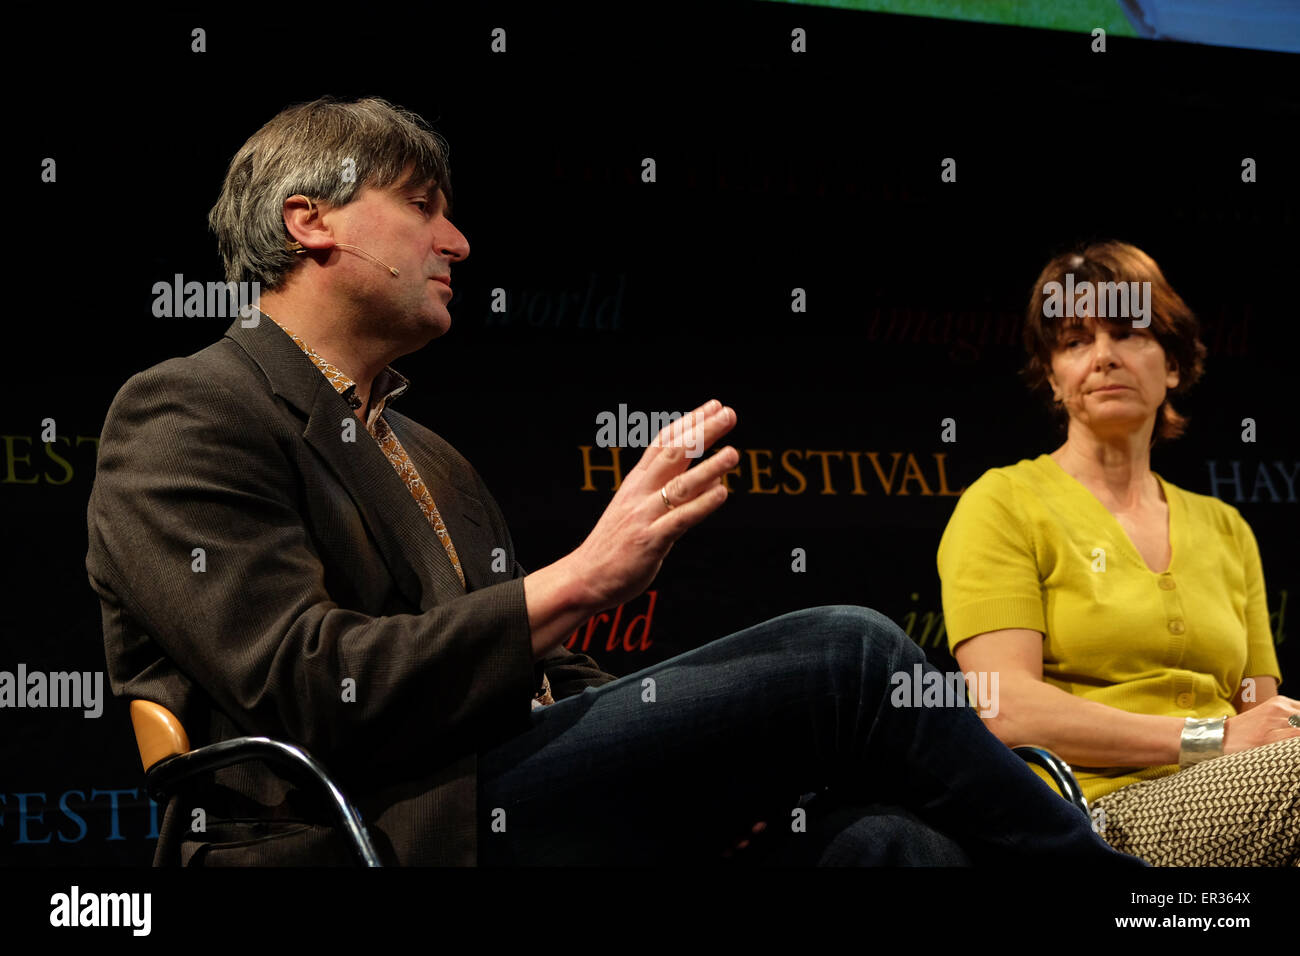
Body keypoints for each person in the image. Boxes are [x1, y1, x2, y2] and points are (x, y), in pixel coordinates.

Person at [86, 96, 1142, 867]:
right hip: (363, 825)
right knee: (849, 652)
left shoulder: (431, 456)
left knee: (886, 844)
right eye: (422, 206)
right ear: (310, 221)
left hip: (512, 789)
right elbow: (307, 683)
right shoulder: (188, 409)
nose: (458, 240)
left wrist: (707, 748)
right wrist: (585, 575)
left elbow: (547, 684)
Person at [938, 240, 1300, 866]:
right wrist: (1210, 738)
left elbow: (1259, 712)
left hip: (1238, 789)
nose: (1103, 356)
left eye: (1128, 333)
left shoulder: (1227, 527)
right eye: (1076, 341)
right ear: (1054, 378)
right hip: (1091, 809)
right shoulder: (1002, 503)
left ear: (1174, 365)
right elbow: (1006, 709)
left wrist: (1258, 733)